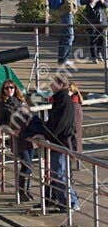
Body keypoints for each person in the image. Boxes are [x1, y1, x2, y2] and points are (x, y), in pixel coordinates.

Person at [43, 82, 79, 212]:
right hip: (59, 142)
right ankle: (65, 202)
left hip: (60, 143)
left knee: (60, 174)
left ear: (60, 85)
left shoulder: (63, 100)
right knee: (58, 174)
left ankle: (71, 202)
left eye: (53, 84)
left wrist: (48, 134)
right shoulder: (61, 99)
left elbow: (60, 123)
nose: (51, 86)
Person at [57, 0, 82, 64]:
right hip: (67, 13)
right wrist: (71, 10)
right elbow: (68, 0)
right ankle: (64, 59)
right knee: (69, 36)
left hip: (65, 12)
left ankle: (62, 59)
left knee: (65, 36)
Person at [80, 0, 108, 64]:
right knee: (92, 38)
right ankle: (94, 56)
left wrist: (103, 2)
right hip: (91, 18)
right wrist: (89, 0)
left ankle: (99, 53)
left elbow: (106, 5)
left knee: (101, 38)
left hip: (101, 19)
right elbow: (81, 2)